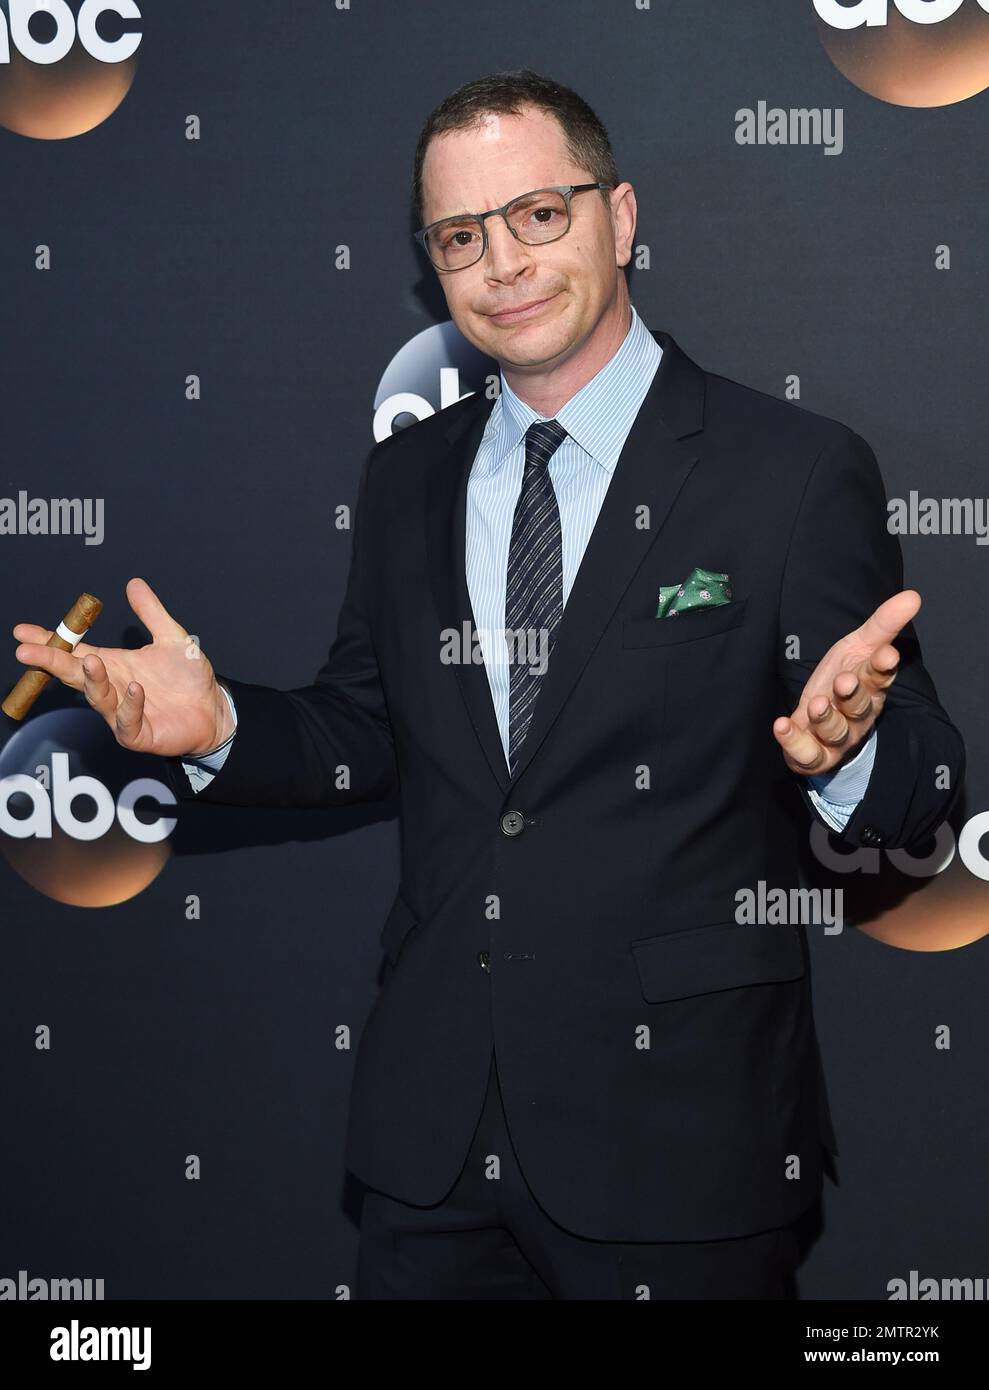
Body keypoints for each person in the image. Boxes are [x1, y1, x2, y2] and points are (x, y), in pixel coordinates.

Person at [11, 69, 964, 1300]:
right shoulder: (407, 477)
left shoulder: (787, 471)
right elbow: (365, 732)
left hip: (678, 1140)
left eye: (538, 215)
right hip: (432, 1145)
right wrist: (224, 725)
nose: (501, 261)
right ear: (433, 265)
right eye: (461, 235)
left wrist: (847, 754)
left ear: (619, 218)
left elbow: (930, 788)